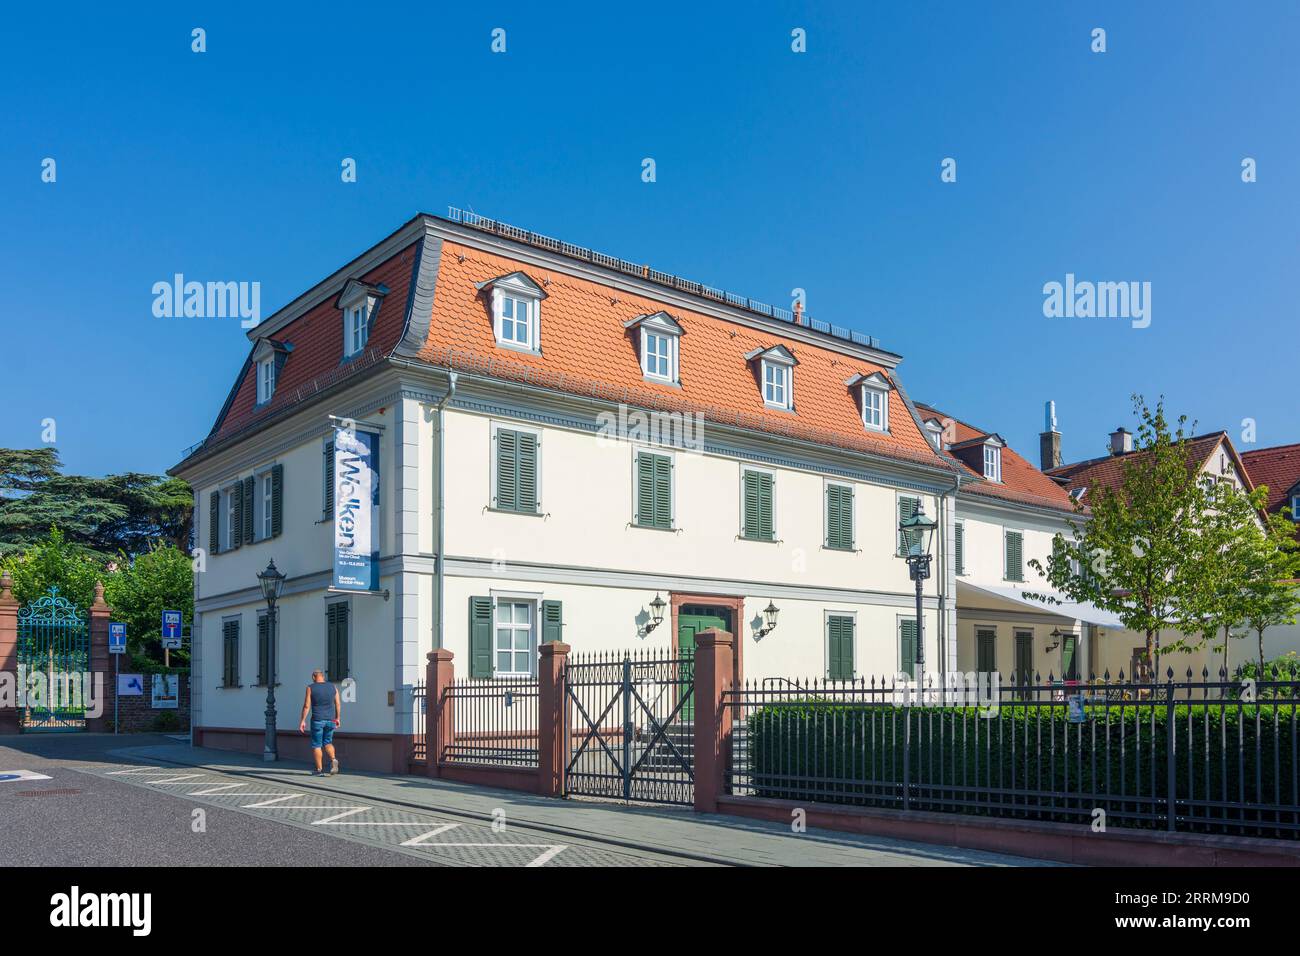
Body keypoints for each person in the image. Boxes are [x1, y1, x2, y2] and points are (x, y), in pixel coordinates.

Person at [299, 669, 341, 776]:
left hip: (317, 720)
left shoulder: (310, 688)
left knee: (317, 745)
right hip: (331, 720)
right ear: (323, 676)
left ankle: (319, 770)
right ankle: (333, 759)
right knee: (328, 742)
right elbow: (338, 704)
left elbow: (307, 706)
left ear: (314, 677)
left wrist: (302, 721)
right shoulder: (333, 687)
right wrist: (338, 718)